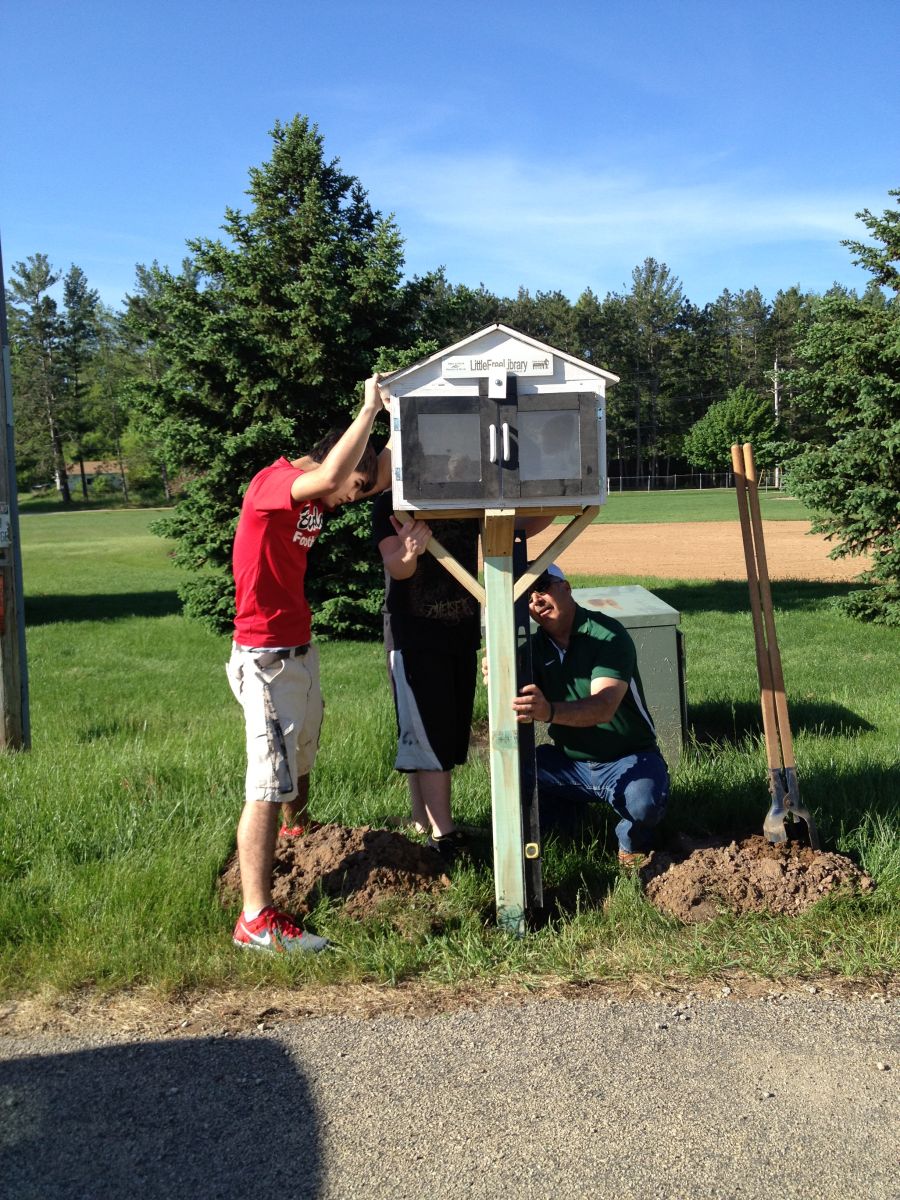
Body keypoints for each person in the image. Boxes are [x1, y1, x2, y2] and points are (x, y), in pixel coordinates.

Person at [228, 374, 390, 953]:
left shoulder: (321, 494)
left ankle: (296, 835)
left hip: (299, 649)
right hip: (265, 656)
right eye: (355, 486)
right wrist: (368, 408)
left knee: (300, 759)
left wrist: (410, 412)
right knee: (267, 783)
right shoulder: (274, 485)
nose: (354, 497)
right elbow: (328, 475)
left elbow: (368, 472)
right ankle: (255, 919)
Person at [511, 563, 669, 866]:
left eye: (542, 587)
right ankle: (568, 820)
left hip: (629, 756)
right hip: (569, 763)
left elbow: (603, 706)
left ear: (566, 587)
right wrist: (498, 674)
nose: (536, 601)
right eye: (526, 598)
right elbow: (512, 698)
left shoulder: (607, 635)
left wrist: (549, 711)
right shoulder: (532, 649)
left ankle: (631, 842)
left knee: (642, 801)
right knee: (512, 776)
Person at [372, 501, 480, 856]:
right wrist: (409, 552)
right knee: (428, 731)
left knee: (444, 730)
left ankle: (422, 821)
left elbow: (517, 522)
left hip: (460, 628)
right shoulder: (392, 498)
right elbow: (397, 568)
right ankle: (443, 835)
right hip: (414, 635)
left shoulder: (471, 492)